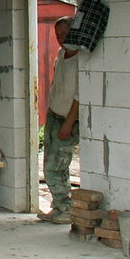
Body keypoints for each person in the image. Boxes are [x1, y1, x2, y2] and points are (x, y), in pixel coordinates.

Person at [38, 16, 79, 224]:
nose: (61, 38)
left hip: (68, 119)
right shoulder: (61, 54)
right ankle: (57, 206)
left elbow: (79, 97)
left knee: (58, 165)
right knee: (48, 163)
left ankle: (66, 208)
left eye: (65, 33)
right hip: (54, 114)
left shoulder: (81, 59)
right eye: (58, 34)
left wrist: (69, 123)